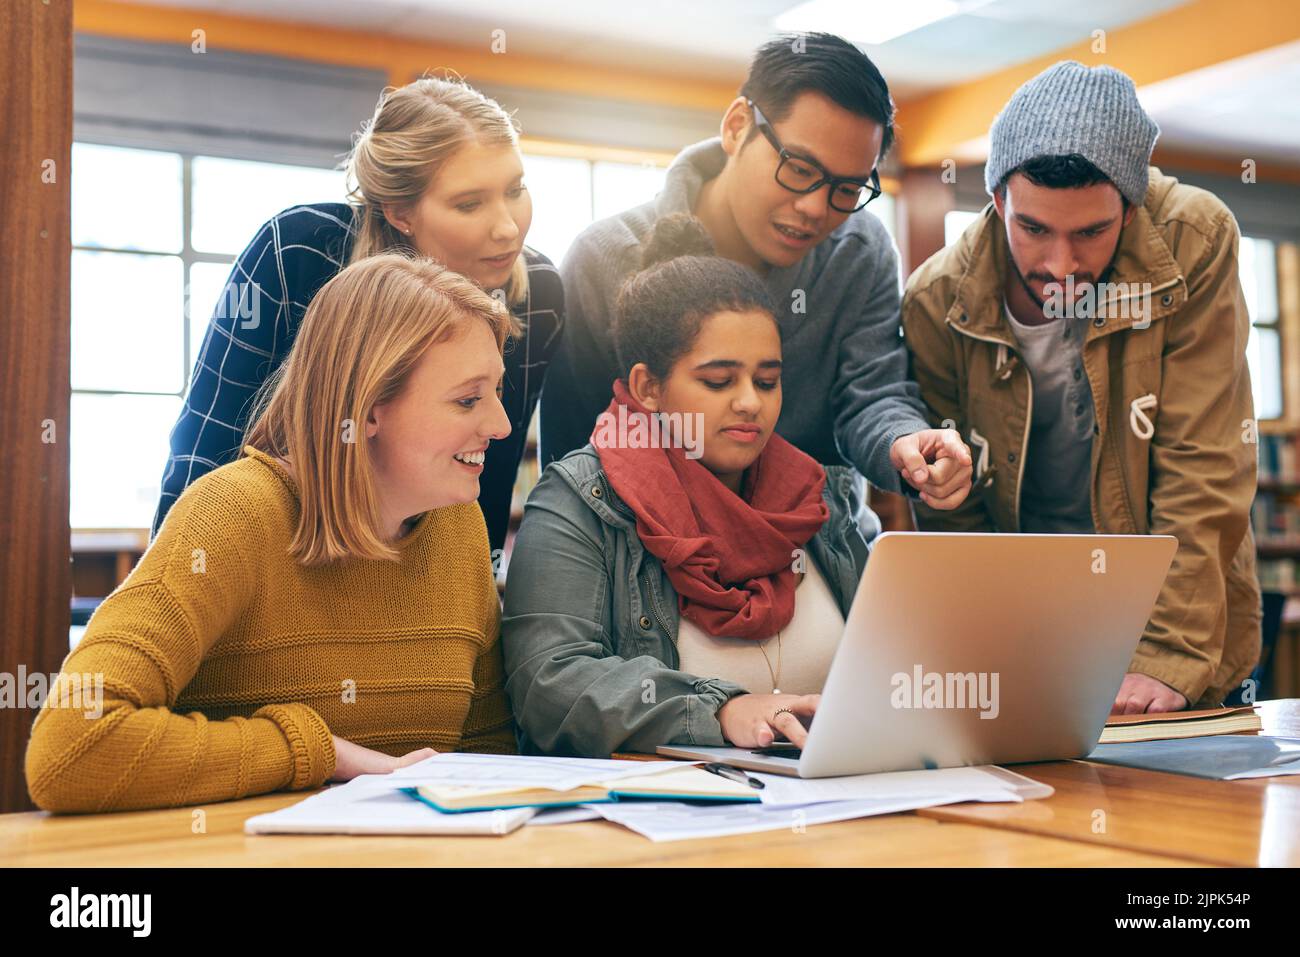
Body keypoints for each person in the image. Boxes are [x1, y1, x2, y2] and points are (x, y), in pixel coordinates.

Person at [26, 255, 517, 813]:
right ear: (369, 408)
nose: (501, 424)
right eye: (468, 399)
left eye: (497, 392)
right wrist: (320, 753)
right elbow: (73, 746)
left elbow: (485, 753)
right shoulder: (231, 516)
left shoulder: (456, 524)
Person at [901, 61, 1261, 713]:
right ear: (998, 201)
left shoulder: (1195, 241)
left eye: (1090, 232)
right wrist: (991, 654)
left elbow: (1203, 465)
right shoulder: (936, 300)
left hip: (1180, 622)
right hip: (1028, 631)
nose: (1059, 265)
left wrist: (1168, 655)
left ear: (1131, 205)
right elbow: (954, 508)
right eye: (1034, 228)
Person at [539, 33, 971, 537]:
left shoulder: (861, 249)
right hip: (654, 567)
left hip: (822, 555)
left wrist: (905, 440)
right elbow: (572, 464)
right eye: (800, 168)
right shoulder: (606, 258)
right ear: (737, 125)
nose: (816, 208)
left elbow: (872, 393)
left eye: (847, 188)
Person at [502, 215, 870, 757]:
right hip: (667, 824)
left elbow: (892, 655)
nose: (751, 401)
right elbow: (548, 684)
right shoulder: (579, 502)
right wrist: (721, 710)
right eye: (719, 381)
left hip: (844, 805)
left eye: (767, 380)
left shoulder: (821, 498)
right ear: (647, 388)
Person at [154, 76, 562, 553]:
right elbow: (206, 449)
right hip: (281, 553)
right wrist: (183, 575)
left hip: (427, 576)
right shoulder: (297, 254)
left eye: (515, 189)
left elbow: (488, 472)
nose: (508, 227)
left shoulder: (539, 293)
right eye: (469, 203)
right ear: (400, 212)